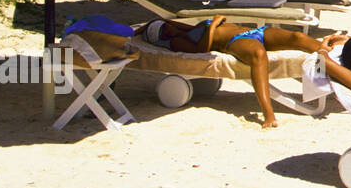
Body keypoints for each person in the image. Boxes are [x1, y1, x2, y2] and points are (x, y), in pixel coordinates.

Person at [137, 16, 339, 129]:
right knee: (259, 56)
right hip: (234, 43)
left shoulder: (184, 28)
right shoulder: (179, 42)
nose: (169, 29)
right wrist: (215, 24)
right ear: (161, 39)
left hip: (254, 32)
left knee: (297, 37)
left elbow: (165, 20)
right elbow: (202, 49)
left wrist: (146, 26)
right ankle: (267, 111)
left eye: (167, 27)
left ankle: (336, 58)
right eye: (164, 32)